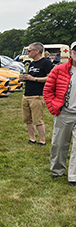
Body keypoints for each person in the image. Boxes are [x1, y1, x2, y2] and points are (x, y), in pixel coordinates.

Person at [43, 42, 76, 186]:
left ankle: (73, 176)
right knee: (59, 144)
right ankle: (57, 170)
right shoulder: (59, 70)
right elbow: (48, 90)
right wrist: (54, 108)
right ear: (71, 52)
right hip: (64, 113)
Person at [21, 42, 53, 145]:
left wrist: (34, 78)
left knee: (38, 119)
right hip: (27, 94)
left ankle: (42, 140)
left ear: (37, 51)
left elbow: (50, 78)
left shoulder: (46, 63)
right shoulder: (32, 63)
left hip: (37, 95)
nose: (28, 53)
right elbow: (31, 76)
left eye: (30, 51)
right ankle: (32, 139)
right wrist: (25, 78)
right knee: (27, 119)